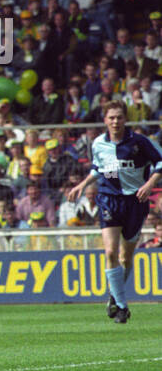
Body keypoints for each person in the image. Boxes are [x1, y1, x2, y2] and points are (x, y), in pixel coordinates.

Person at [67, 99, 162, 323]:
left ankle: (114, 294)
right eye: (111, 117)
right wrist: (82, 184)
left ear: (125, 119)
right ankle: (121, 306)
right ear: (105, 120)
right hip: (109, 199)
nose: (115, 121)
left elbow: (160, 163)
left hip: (135, 202)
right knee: (110, 252)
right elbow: (99, 168)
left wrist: (149, 184)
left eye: (119, 117)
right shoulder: (98, 143)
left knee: (126, 257)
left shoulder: (139, 142)